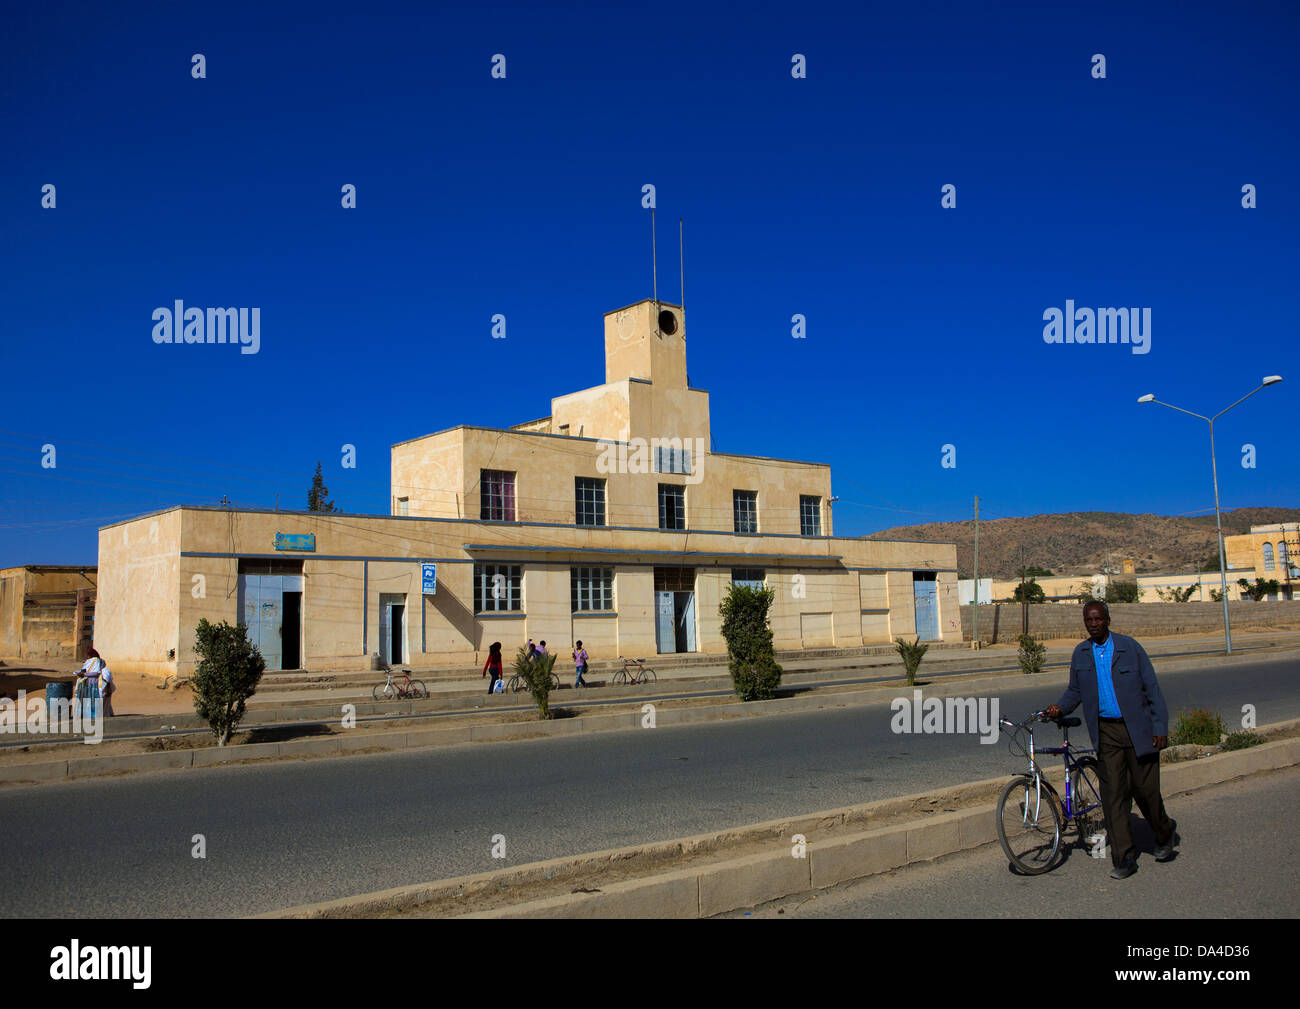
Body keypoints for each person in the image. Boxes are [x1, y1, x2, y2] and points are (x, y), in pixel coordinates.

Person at [1045, 601, 1178, 879]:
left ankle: (1164, 833)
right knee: (1113, 797)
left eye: (1097, 619)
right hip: (1106, 733)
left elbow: (1152, 689)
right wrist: (1059, 708)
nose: (1093, 624)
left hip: (1138, 730)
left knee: (1145, 791)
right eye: (1088, 620)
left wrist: (1159, 728)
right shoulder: (1081, 653)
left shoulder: (1130, 648)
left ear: (1107, 620)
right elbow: (1074, 691)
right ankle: (1124, 858)